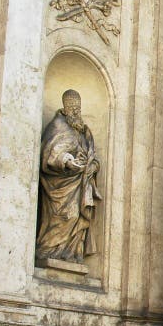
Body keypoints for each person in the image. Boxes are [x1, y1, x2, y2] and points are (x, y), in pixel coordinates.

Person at [36, 89, 102, 263]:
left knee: (76, 218)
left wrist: (92, 165)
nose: (75, 111)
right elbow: (48, 152)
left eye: (77, 108)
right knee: (65, 216)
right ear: (64, 108)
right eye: (72, 107)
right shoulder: (57, 126)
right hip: (60, 185)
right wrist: (67, 160)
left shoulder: (84, 132)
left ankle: (72, 254)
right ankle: (48, 251)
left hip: (79, 184)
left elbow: (92, 155)